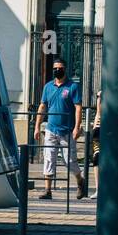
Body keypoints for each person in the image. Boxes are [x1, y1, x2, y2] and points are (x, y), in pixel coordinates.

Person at [32, 58, 88, 200]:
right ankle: (48, 190)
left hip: (67, 130)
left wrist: (77, 127)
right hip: (51, 129)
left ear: (65, 69)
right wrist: (37, 127)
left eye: (60, 68)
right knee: (49, 158)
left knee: (69, 161)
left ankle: (80, 180)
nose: (58, 70)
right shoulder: (48, 87)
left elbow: (78, 107)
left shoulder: (72, 87)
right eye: (55, 68)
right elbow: (42, 106)